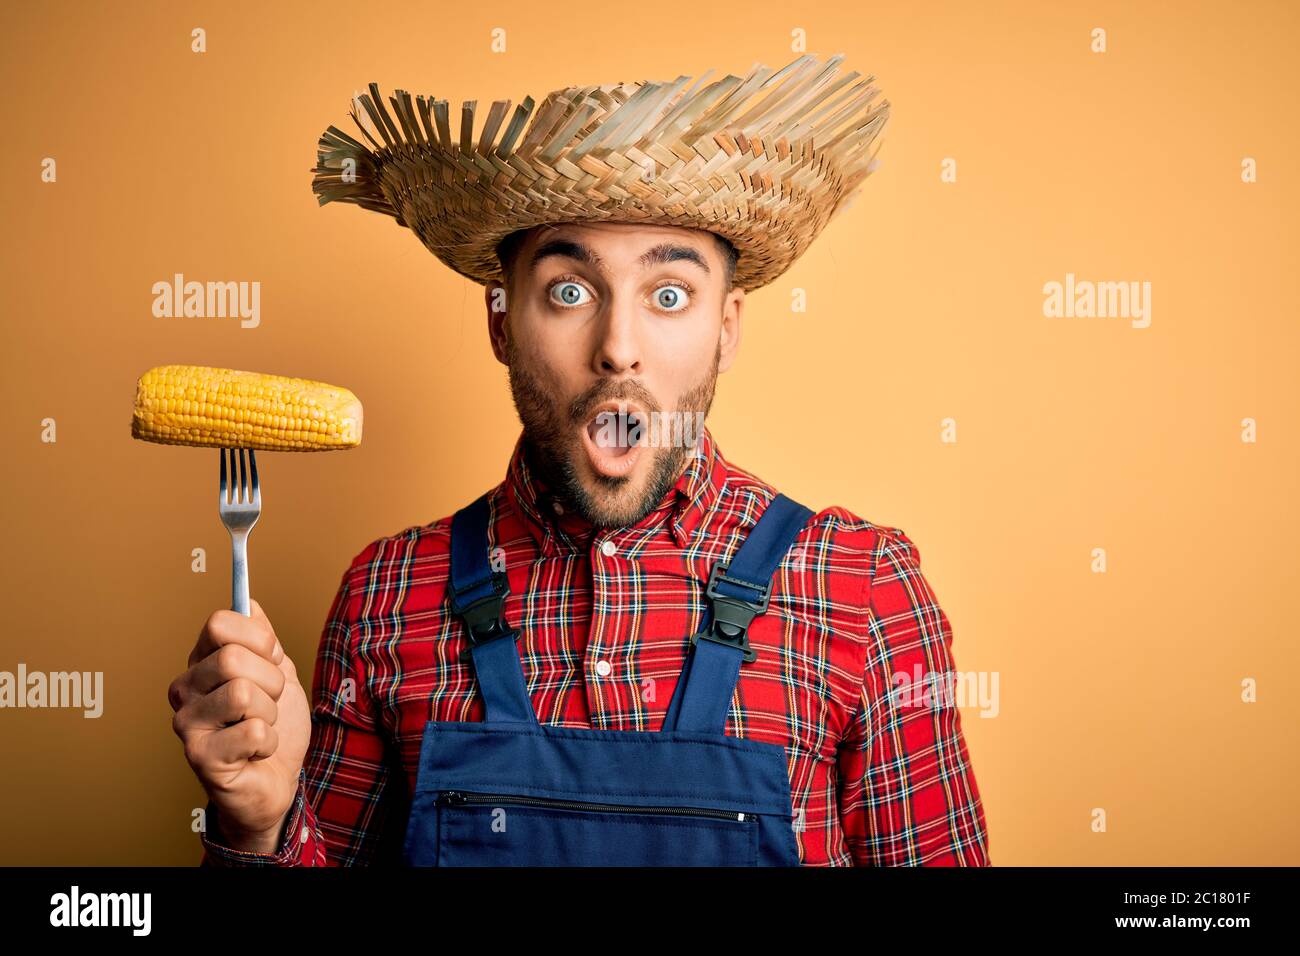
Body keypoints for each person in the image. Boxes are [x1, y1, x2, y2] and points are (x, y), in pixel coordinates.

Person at [167, 55, 990, 866]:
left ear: (727, 328)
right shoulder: (384, 597)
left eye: (669, 295)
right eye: (569, 290)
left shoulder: (863, 593)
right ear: (500, 324)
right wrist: (257, 830)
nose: (618, 350)